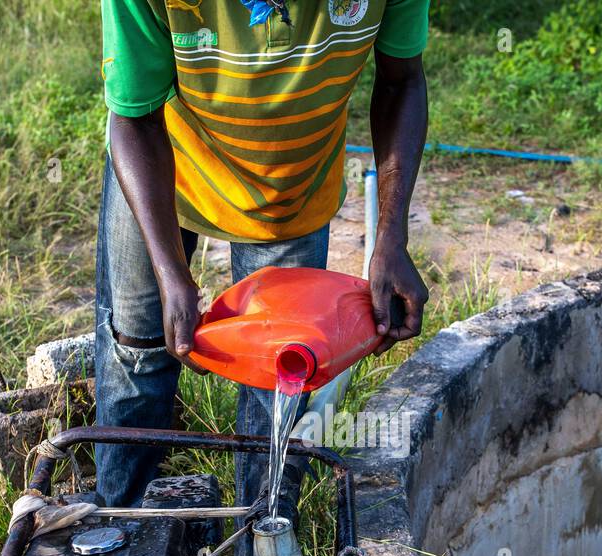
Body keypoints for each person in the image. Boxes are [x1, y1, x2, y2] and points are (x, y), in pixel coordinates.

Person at [95, 0, 430, 518]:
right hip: (166, 170)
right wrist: (170, 273)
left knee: (281, 376)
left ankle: (262, 553)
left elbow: (402, 80)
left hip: (290, 190)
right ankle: (122, 529)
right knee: (138, 353)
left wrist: (391, 237)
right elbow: (134, 118)